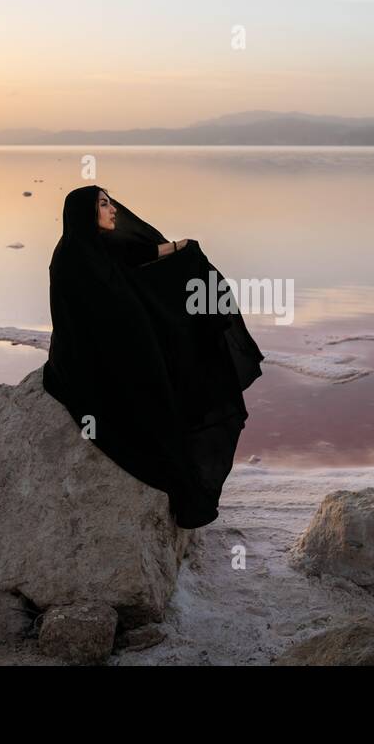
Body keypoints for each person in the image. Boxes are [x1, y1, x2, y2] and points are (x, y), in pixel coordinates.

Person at [42, 184, 263, 528]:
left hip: (123, 346)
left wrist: (181, 248)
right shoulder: (72, 257)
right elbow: (84, 325)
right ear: (85, 212)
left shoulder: (97, 248)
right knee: (161, 407)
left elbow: (137, 257)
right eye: (104, 204)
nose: (113, 209)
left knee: (189, 286)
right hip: (92, 361)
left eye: (111, 203)